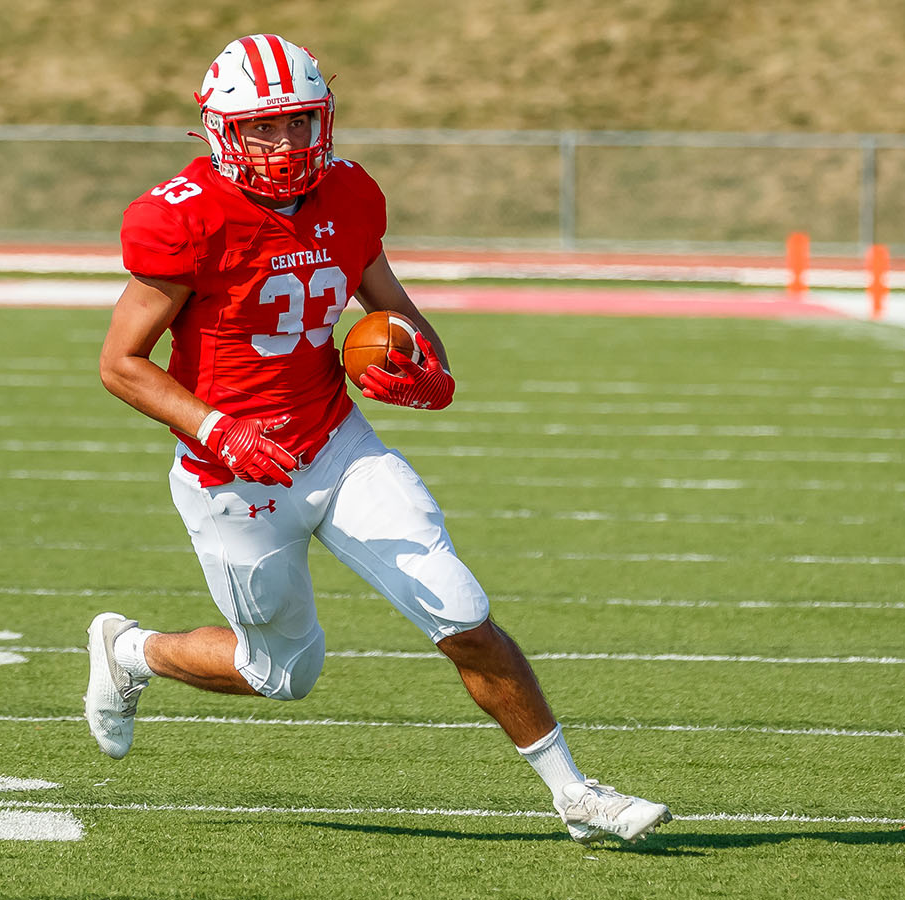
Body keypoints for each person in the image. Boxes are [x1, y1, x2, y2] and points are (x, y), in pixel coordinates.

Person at [88, 33, 670, 845]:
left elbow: (388, 305)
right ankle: (132, 652)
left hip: (335, 443)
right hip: (235, 478)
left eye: (298, 122)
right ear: (223, 131)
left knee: (461, 611)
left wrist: (421, 362)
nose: (286, 143)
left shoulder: (351, 194)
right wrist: (219, 429)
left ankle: (576, 794)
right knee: (280, 674)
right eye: (265, 127)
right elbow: (121, 363)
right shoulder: (184, 218)